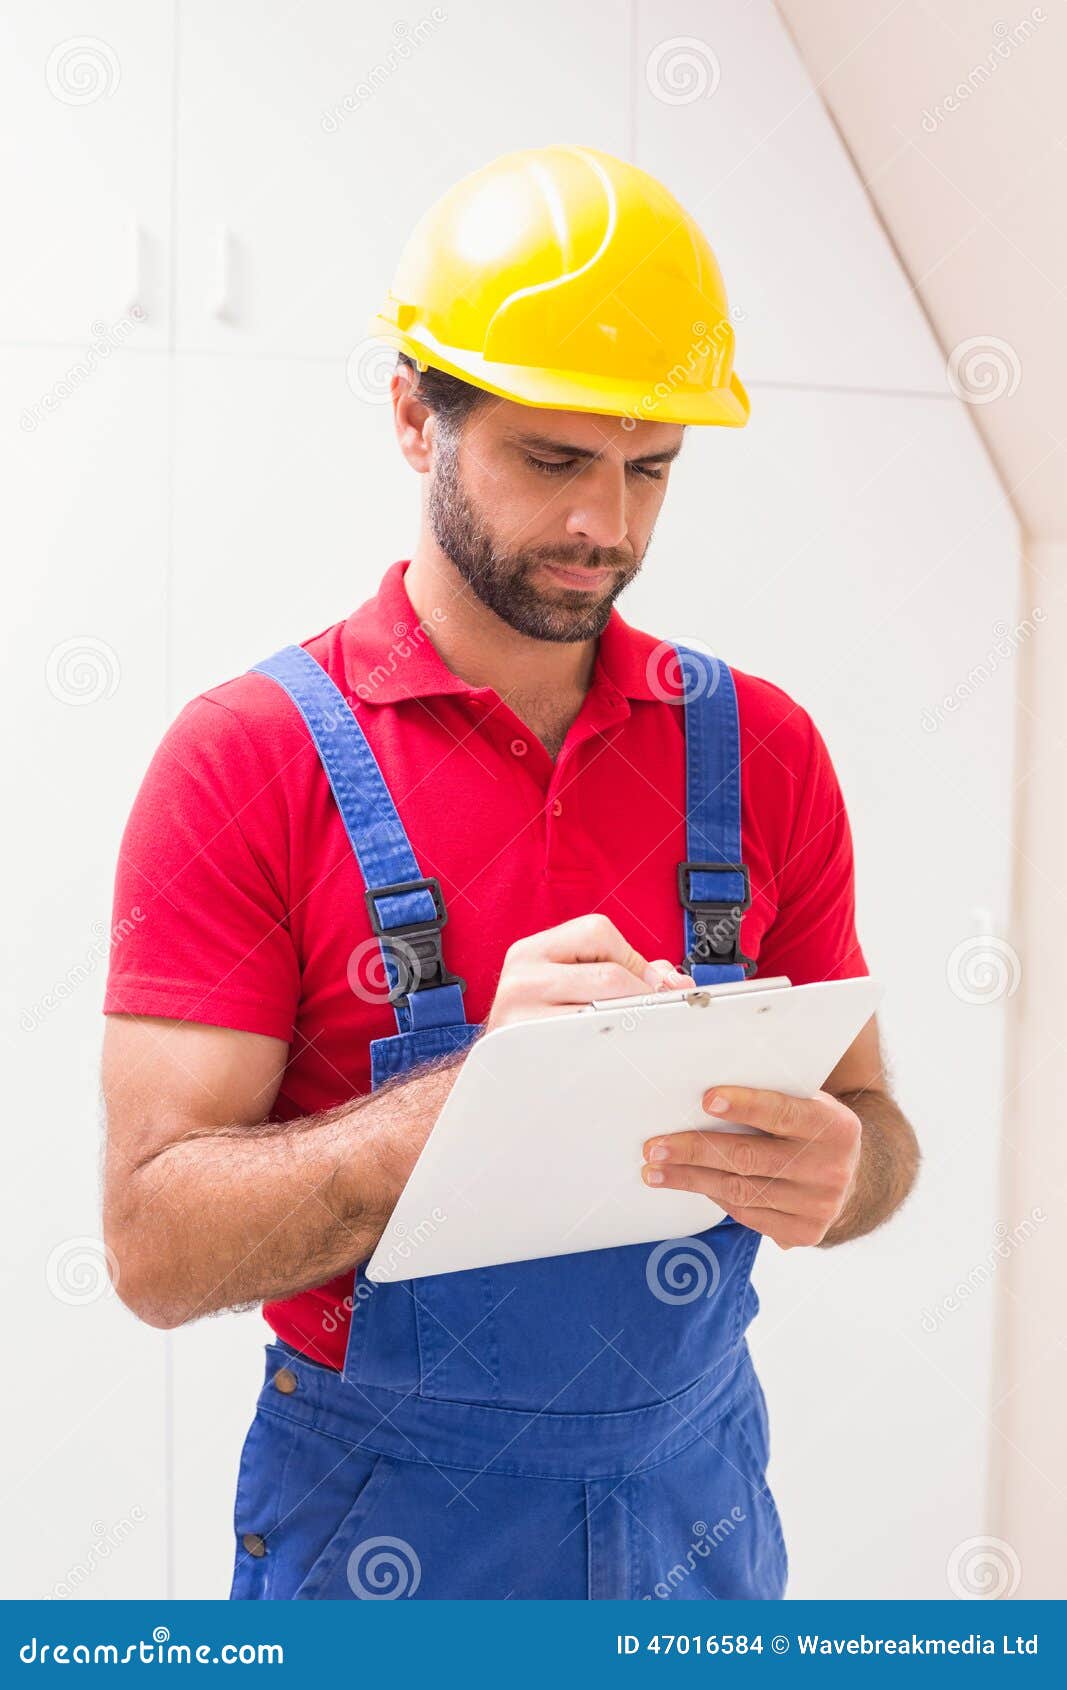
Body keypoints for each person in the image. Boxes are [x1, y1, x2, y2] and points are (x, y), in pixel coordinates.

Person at [101, 144, 918, 1601]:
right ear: (416, 414)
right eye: (553, 458)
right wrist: (462, 1107)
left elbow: (873, 1129)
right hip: (386, 1527)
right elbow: (155, 1245)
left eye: (650, 467)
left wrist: (848, 1173)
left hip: (699, 1506)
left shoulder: (765, 751)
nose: (607, 522)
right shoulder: (246, 760)